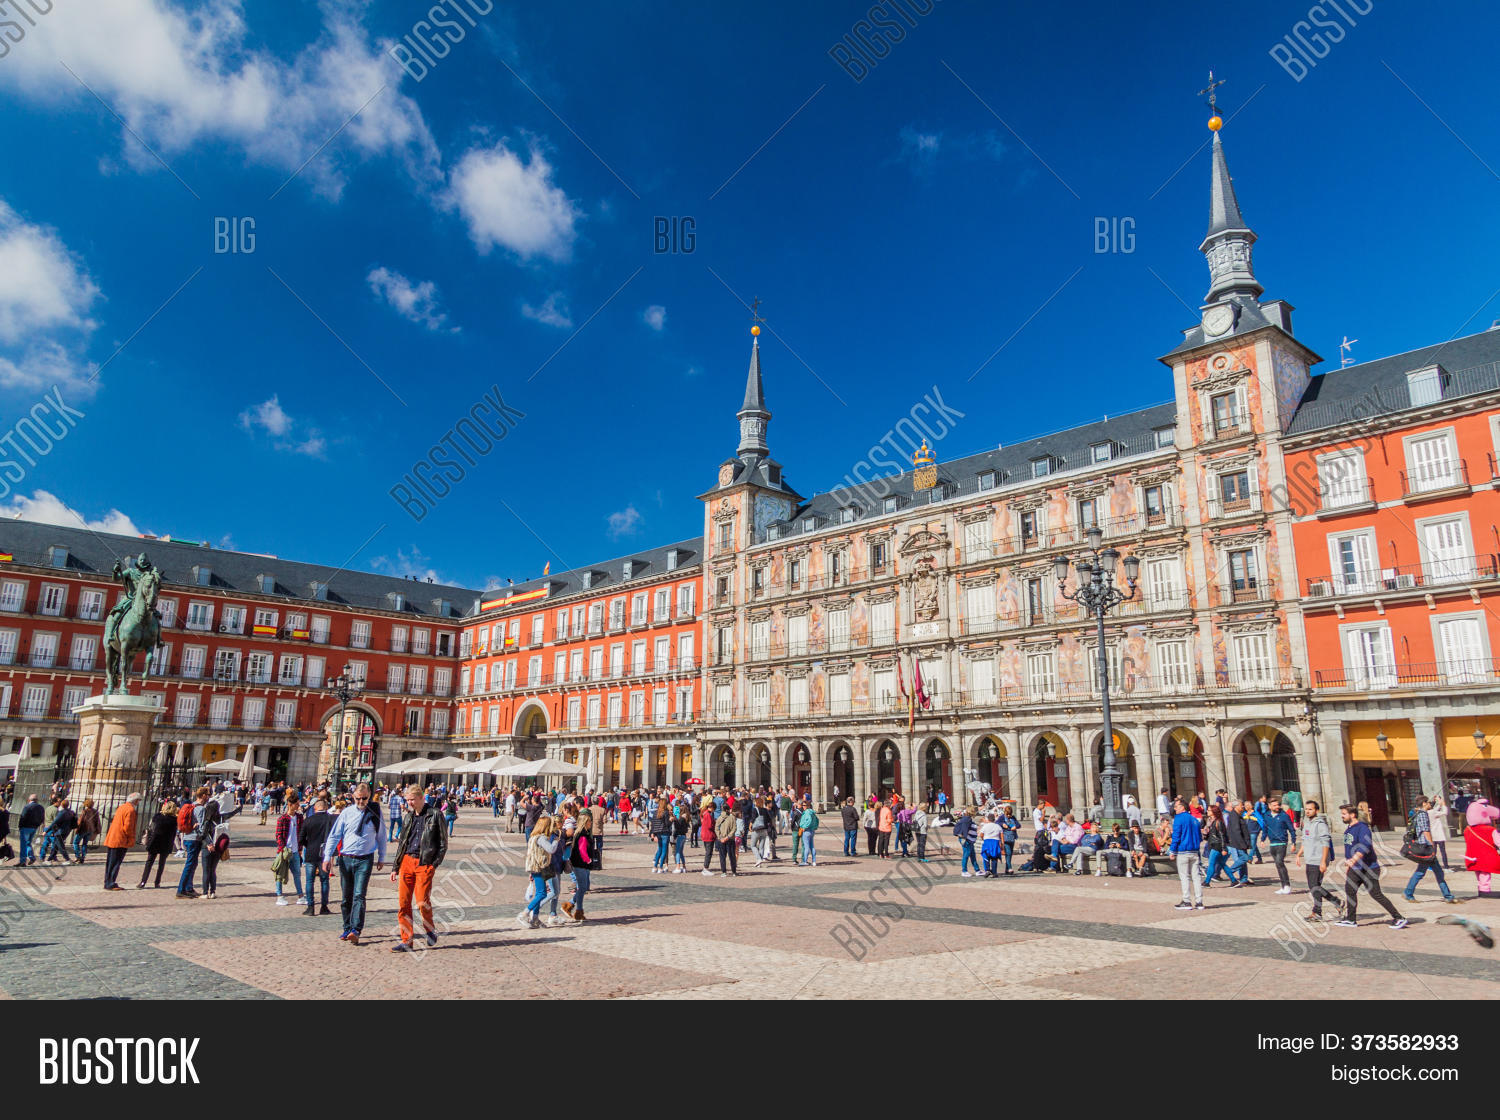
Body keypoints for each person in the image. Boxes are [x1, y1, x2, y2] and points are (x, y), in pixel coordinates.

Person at [321, 783, 387, 944]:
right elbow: (334, 835)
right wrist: (327, 857)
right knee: (346, 897)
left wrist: (382, 857)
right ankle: (346, 927)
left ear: (369, 795)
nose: (361, 801)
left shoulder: (375, 812)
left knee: (359, 895)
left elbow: (381, 836)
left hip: (365, 858)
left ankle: (356, 930)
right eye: (358, 798)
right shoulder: (346, 813)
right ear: (352, 797)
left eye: (365, 798)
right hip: (346, 858)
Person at [389, 783, 446, 951]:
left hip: (424, 863)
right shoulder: (408, 817)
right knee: (403, 903)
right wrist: (395, 867)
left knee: (422, 902)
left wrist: (433, 865)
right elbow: (402, 844)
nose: (409, 804)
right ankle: (406, 940)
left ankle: (429, 928)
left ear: (421, 798)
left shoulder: (435, 815)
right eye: (407, 800)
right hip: (407, 861)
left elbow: (443, 844)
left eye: (412, 800)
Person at [1337, 803, 1406, 928]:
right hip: (1355, 868)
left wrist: (1354, 858)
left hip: (1368, 868)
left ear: (1352, 815)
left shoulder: (1362, 828)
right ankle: (1351, 919)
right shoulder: (1349, 829)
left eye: (1344, 814)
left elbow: (1365, 845)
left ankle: (1399, 918)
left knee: (1376, 894)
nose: (1342, 816)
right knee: (1350, 891)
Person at [1294, 799, 1341, 921]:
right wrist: (1299, 854)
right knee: (1314, 887)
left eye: (1311, 809)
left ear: (1316, 810)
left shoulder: (1320, 824)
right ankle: (1333, 902)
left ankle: (1319, 911)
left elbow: (1326, 843)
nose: (1308, 811)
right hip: (1310, 859)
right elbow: (1305, 840)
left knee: (1314, 886)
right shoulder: (1306, 823)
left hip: (1318, 859)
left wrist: (1323, 861)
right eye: (1307, 809)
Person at [1403, 797, 1456, 904]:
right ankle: (1408, 893)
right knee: (1421, 872)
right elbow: (1425, 831)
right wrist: (1431, 845)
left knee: (1437, 872)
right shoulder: (1422, 814)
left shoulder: (1417, 813)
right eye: (1427, 802)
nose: (1429, 804)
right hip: (1425, 847)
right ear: (1423, 803)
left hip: (1424, 846)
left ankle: (1448, 895)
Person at [518, 814, 560, 929]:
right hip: (540, 867)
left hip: (538, 866)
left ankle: (535, 918)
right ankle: (524, 913)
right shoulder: (541, 838)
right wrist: (556, 839)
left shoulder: (533, 837)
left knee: (544, 892)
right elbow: (551, 849)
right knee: (542, 893)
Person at [299, 796, 334, 915]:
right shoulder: (330, 819)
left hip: (310, 853)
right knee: (325, 880)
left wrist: (308, 845)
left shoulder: (308, 820)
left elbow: (301, 838)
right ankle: (324, 907)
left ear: (315, 808)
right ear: (326, 808)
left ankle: (310, 907)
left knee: (310, 881)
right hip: (325, 854)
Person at [1169, 797, 1204, 910]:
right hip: (1194, 851)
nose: (1175, 809)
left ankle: (1187, 901)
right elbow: (1199, 837)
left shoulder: (1178, 818)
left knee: (1184, 877)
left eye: (1176, 806)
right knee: (1196, 877)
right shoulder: (1194, 819)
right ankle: (1199, 902)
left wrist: (1172, 850)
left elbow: (1176, 836)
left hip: (1183, 851)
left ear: (1182, 807)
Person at [176, 788, 210, 899]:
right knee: (190, 864)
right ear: (204, 795)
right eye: (208, 795)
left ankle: (188, 888)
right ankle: (181, 889)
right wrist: (207, 840)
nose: (209, 797)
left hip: (187, 837)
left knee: (192, 863)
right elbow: (201, 827)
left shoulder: (191, 805)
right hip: (194, 839)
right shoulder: (200, 809)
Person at [102, 793, 140, 891]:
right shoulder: (131, 810)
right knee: (116, 862)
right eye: (138, 800)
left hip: (113, 837)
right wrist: (131, 838)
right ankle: (110, 883)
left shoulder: (121, 807)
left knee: (110, 862)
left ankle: (107, 881)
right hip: (121, 839)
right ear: (135, 801)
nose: (138, 802)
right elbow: (128, 827)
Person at [561, 808, 595, 922]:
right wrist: (588, 860)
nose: (591, 824)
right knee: (582, 887)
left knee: (583, 887)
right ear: (585, 822)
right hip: (580, 864)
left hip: (581, 864)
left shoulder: (583, 833)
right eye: (589, 822)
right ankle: (578, 911)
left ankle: (570, 905)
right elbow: (582, 850)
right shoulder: (582, 835)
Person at [273, 792, 305, 907]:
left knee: (297, 874)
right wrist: (282, 849)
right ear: (290, 804)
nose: (298, 806)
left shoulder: (300, 817)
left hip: (295, 851)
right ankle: (279, 895)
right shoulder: (283, 819)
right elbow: (278, 835)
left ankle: (301, 896)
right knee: (280, 874)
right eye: (296, 804)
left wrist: (300, 847)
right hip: (284, 852)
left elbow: (302, 834)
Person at [138, 799, 178, 888]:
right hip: (166, 842)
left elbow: (154, 821)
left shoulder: (158, 816)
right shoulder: (174, 820)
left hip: (155, 841)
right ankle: (157, 882)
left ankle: (143, 881)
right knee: (161, 863)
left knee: (149, 862)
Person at [1263, 796, 1295, 893]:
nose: (1277, 806)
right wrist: (1262, 839)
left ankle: (1287, 885)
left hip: (1282, 842)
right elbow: (1265, 828)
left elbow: (1291, 829)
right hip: (1272, 843)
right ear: (1269, 806)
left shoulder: (1284, 815)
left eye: (1278, 805)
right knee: (1277, 865)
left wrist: (1293, 842)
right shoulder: (1266, 815)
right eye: (1274, 805)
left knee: (1279, 862)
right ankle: (1283, 886)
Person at [40, 798, 76, 865]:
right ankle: (49, 860)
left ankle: (68, 859)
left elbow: (54, 822)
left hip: (60, 831)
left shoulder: (61, 813)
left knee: (60, 846)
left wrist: (46, 831)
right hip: (67, 831)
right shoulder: (71, 812)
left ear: (62, 805)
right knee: (56, 846)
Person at [73, 799, 101, 865]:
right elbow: (97, 821)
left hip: (83, 829)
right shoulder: (95, 811)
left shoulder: (85, 811)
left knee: (75, 842)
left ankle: (78, 856)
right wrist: (96, 830)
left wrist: (76, 828)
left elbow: (80, 821)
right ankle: (83, 857)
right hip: (91, 830)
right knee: (85, 844)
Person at [16, 794, 42, 866]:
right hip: (34, 827)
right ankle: (31, 857)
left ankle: (23, 861)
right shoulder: (41, 807)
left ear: (29, 800)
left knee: (23, 845)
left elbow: (23, 817)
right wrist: (37, 825)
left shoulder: (27, 807)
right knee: (28, 843)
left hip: (26, 827)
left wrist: (20, 826)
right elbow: (42, 819)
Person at [1429, 795, 1453, 868]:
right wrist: (1443, 804)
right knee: (1443, 852)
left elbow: (1437, 808)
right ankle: (1446, 866)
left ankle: (1432, 866)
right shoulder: (1433, 812)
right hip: (1438, 835)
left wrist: (1438, 801)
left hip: (1432, 835)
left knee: (1434, 852)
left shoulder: (1429, 812)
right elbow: (1445, 812)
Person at [955, 809, 979, 876]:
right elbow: (965, 829)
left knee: (972, 855)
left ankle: (977, 870)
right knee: (966, 855)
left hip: (969, 840)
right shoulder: (967, 820)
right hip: (967, 840)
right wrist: (965, 837)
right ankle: (964, 871)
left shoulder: (967, 819)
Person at [798, 800, 819, 867]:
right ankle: (814, 861)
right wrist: (815, 827)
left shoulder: (807, 812)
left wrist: (804, 827)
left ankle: (805, 861)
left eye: (804, 805)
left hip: (807, 831)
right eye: (802, 805)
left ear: (808, 806)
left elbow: (809, 820)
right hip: (812, 831)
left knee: (806, 847)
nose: (803, 807)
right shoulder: (812, 812)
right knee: (812, 846)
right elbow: (817, 820)